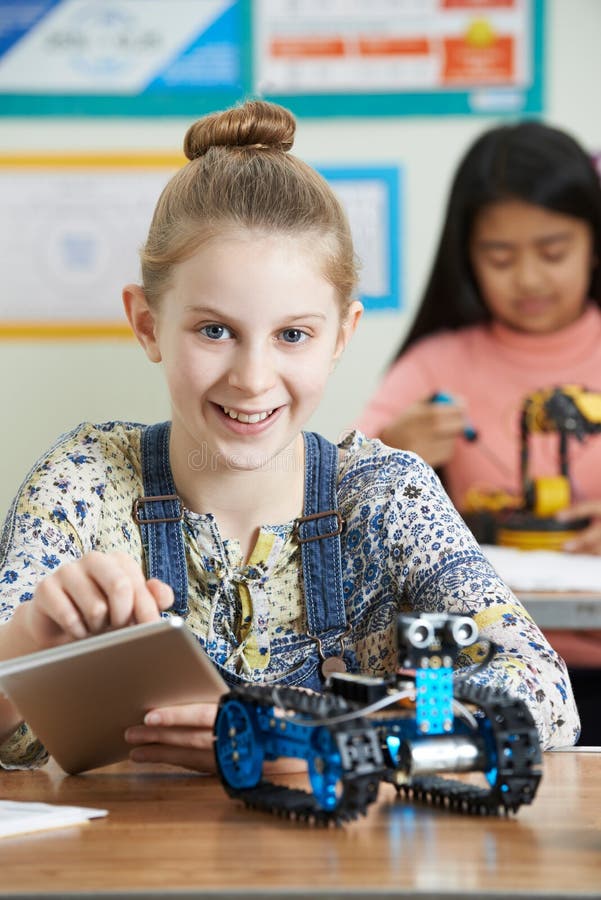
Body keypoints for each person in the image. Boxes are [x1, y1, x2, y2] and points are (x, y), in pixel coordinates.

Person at [0, 102, 578, 773]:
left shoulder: (388, 496)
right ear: (148, 324)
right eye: (214, 330)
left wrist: (326, 737)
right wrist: (27, 640)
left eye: (292, 335)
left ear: (341, 335)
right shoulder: (85, 482)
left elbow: (545, 699)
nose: (251, 378)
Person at [356, 120, 601, 743]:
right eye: (500, 256)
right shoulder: (436, 365)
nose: (529, 278)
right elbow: (326, 490)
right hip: (477, 678)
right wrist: (393, 452)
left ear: (595, 243)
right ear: (467, 256)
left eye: (553, 251)